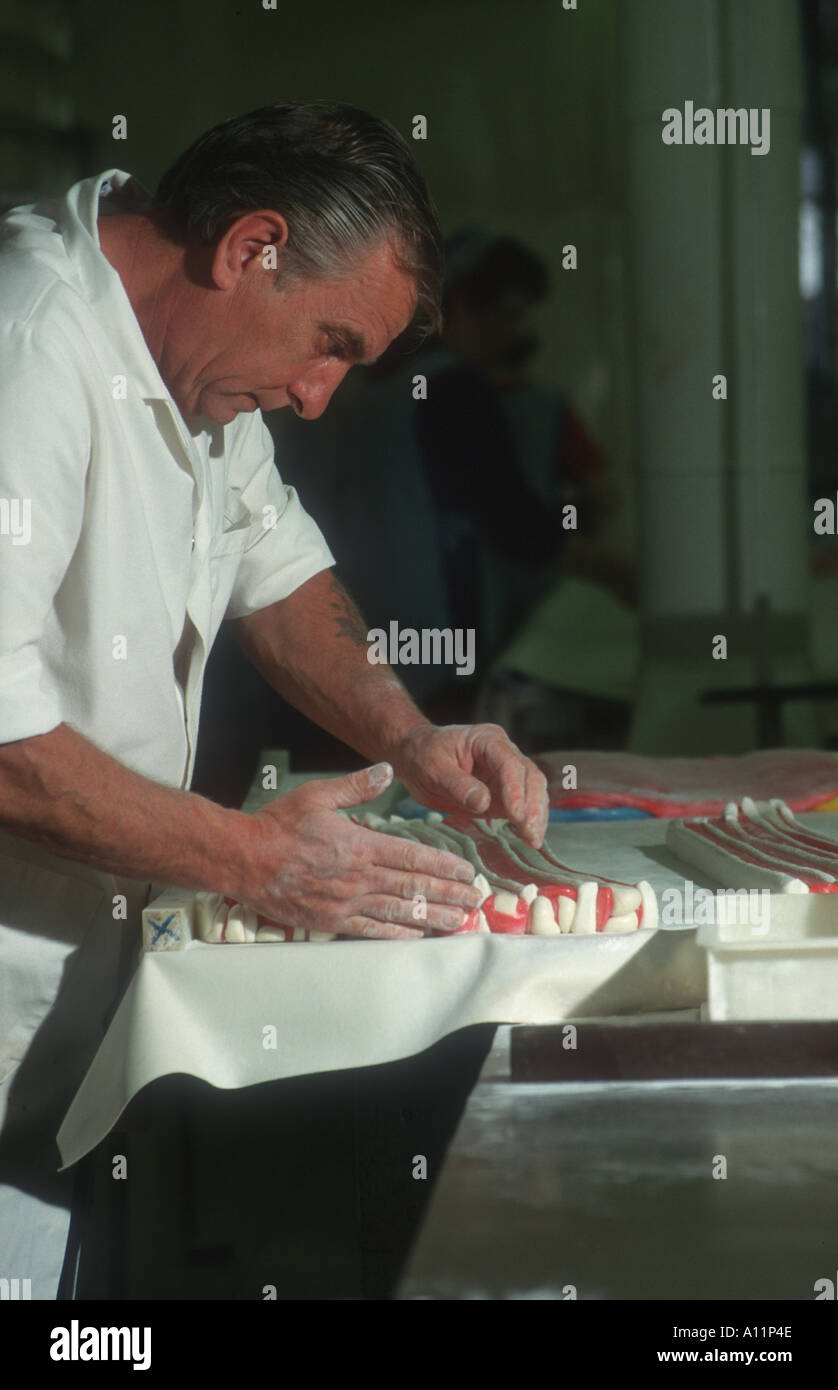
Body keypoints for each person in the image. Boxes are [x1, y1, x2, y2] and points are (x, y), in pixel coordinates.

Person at [0, 101, 548, 1297]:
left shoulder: (195, 369)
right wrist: (252, 860)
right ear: (251, 246)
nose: (316, 395)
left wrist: (414, 740)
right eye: (332, 343)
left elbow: (279, 574)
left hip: (53, 1030)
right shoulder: (27, 344)